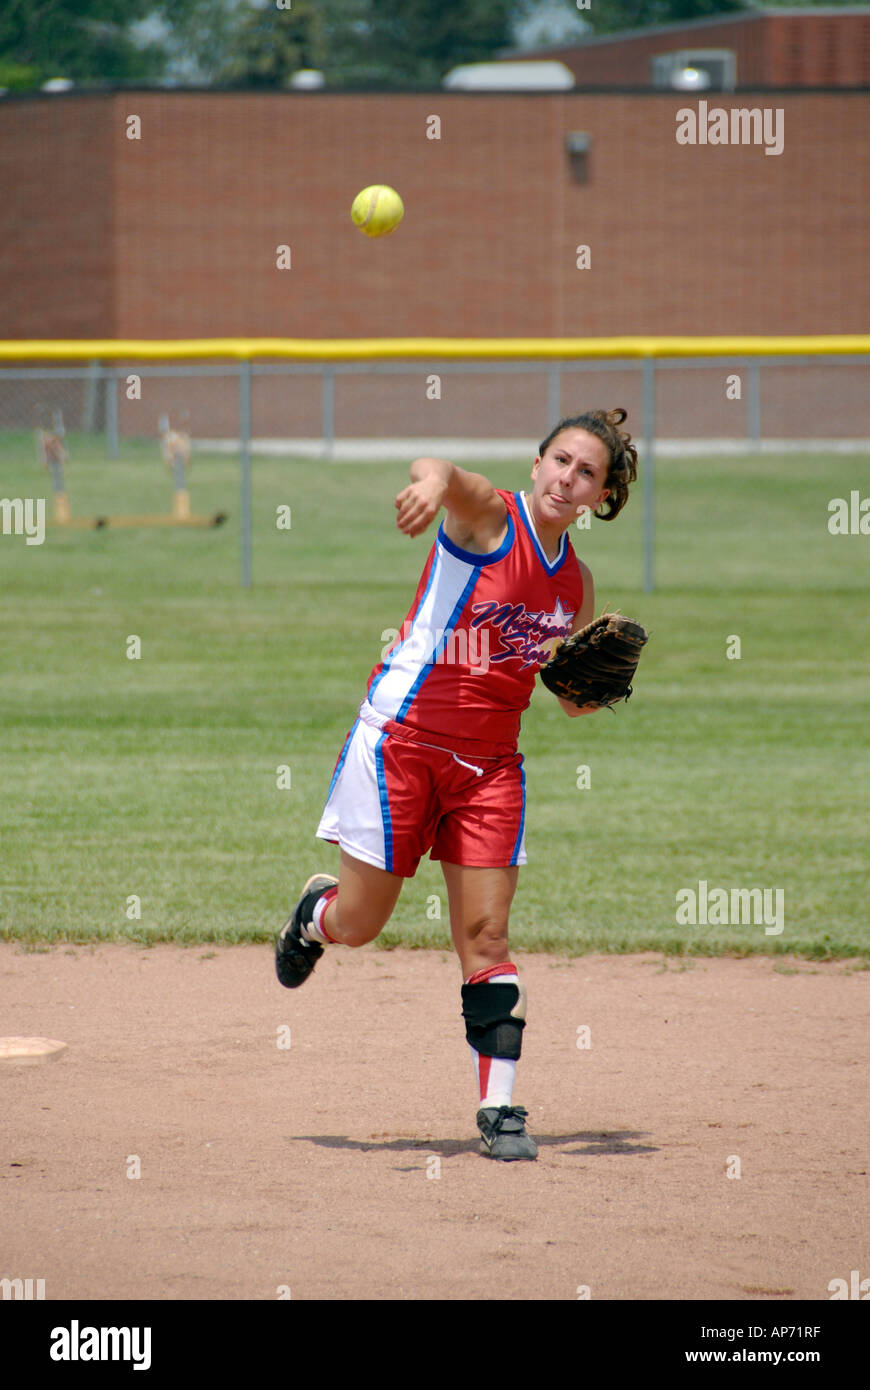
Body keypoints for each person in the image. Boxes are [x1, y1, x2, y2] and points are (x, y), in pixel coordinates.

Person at [275, 409, 639, 1161]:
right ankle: (316, 915)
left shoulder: (577, 584)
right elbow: (441, 471)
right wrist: (430, 482)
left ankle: (500, 1108)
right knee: (363, 923)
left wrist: (597, 687)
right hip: (401, 745)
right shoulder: (489, 520)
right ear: (537, 462)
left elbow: (566, 696)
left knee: (487, 936)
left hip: (490, 769)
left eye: (587, 474)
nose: (568, 479)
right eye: (561, 461)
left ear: (599, 499)